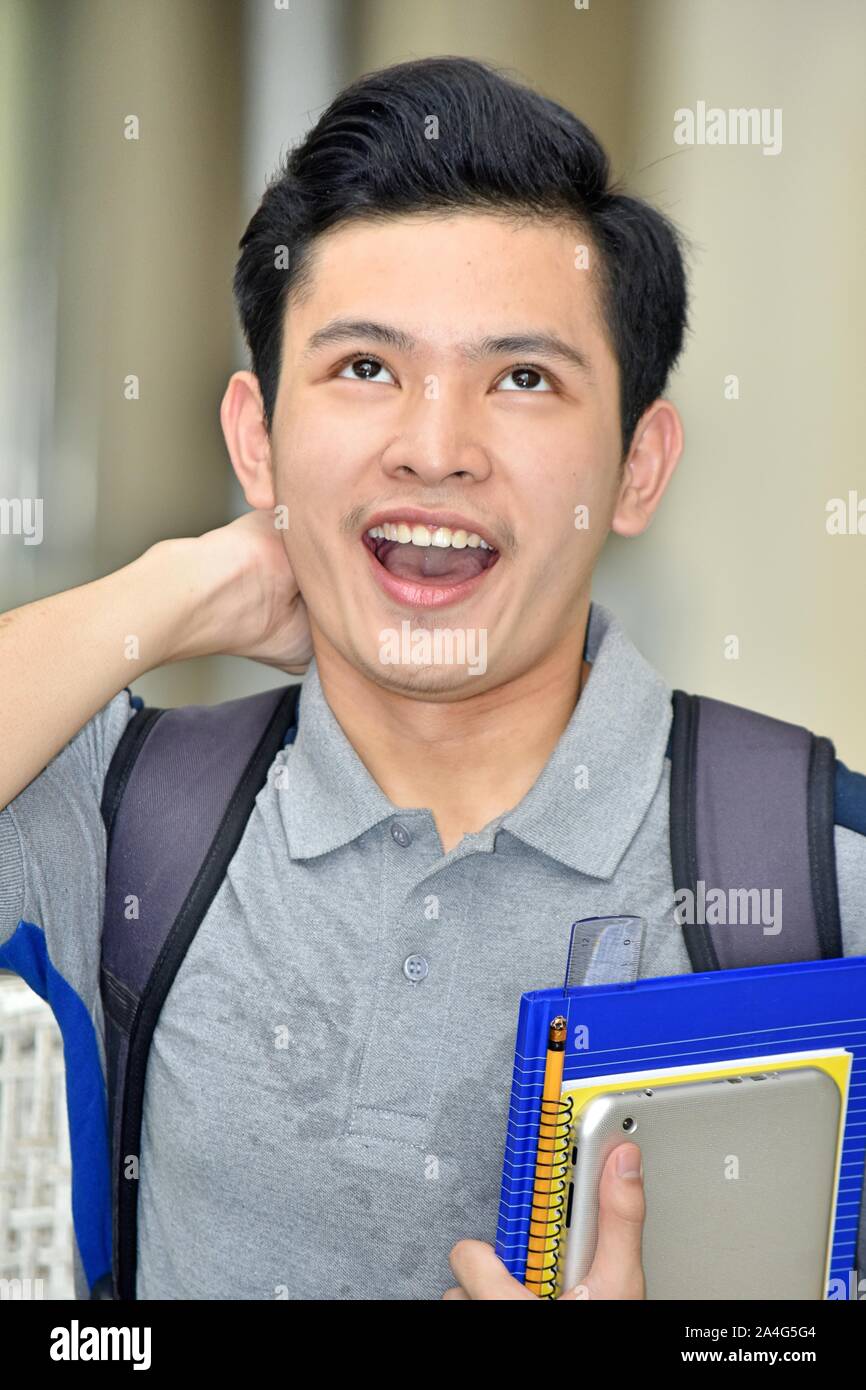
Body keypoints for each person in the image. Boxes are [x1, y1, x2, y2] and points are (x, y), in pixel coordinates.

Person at [1, 56, 863, 1302]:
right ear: (257, 436)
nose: (434, 447)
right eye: (363, 368)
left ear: (634, 464)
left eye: (521, 378)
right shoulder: (126, 817)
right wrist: (172, 592)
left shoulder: (816, 873)